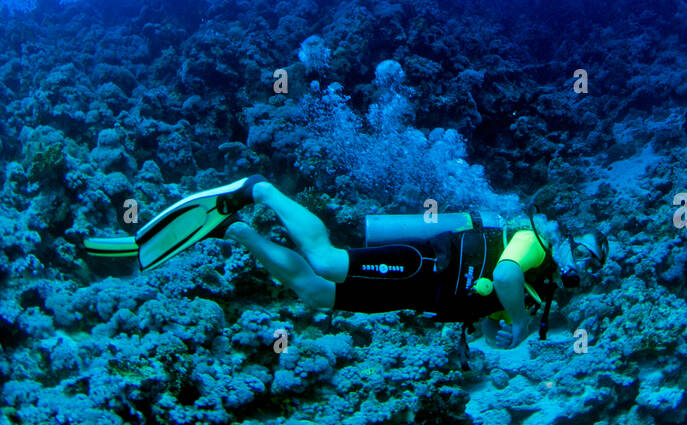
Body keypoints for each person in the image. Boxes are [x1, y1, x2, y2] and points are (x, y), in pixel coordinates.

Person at [83, 176, 609, 351]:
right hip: (427, 264)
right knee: (329, 260)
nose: (581, 265)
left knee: (316, 293)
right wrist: (518, 323)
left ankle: (235, 229)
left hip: (423, 293)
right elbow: (508, 274)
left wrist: (507, 322)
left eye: (591, 264)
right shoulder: (535, 243)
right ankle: (259, 189)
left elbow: (493, 297)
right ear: (566, 240)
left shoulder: (546, 284)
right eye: (583, 250)